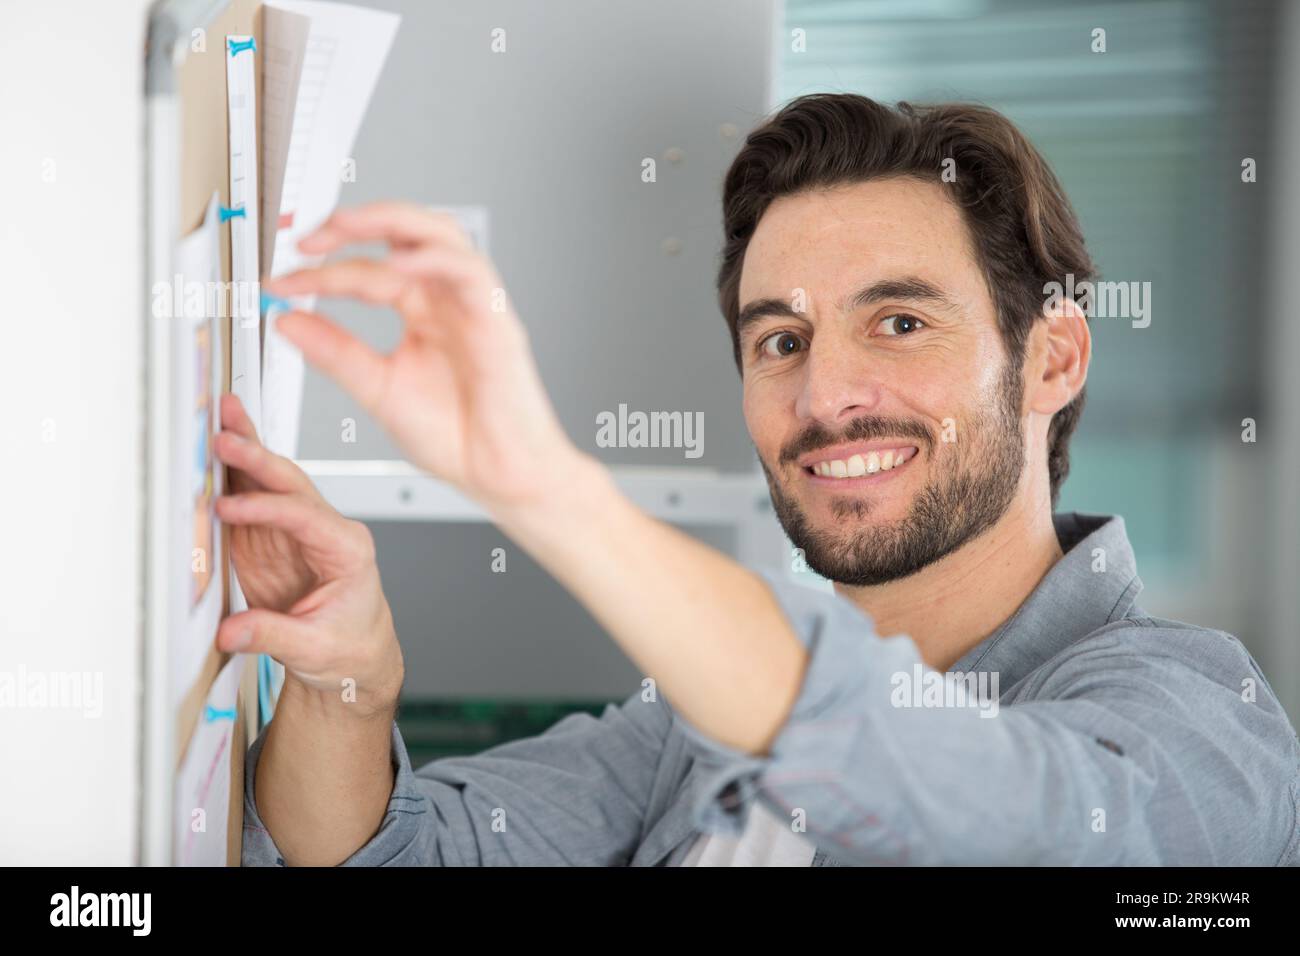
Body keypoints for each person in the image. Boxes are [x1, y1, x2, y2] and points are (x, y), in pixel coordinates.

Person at [224, 93, 1300, 866]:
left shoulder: (1202, 718)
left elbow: (1026, 825)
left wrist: (546, 488)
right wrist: (347, 677)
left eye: (900, 321)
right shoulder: (688, 719)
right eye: (779, 339)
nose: (827, 394)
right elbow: (392, 853)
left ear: (1052, 358)